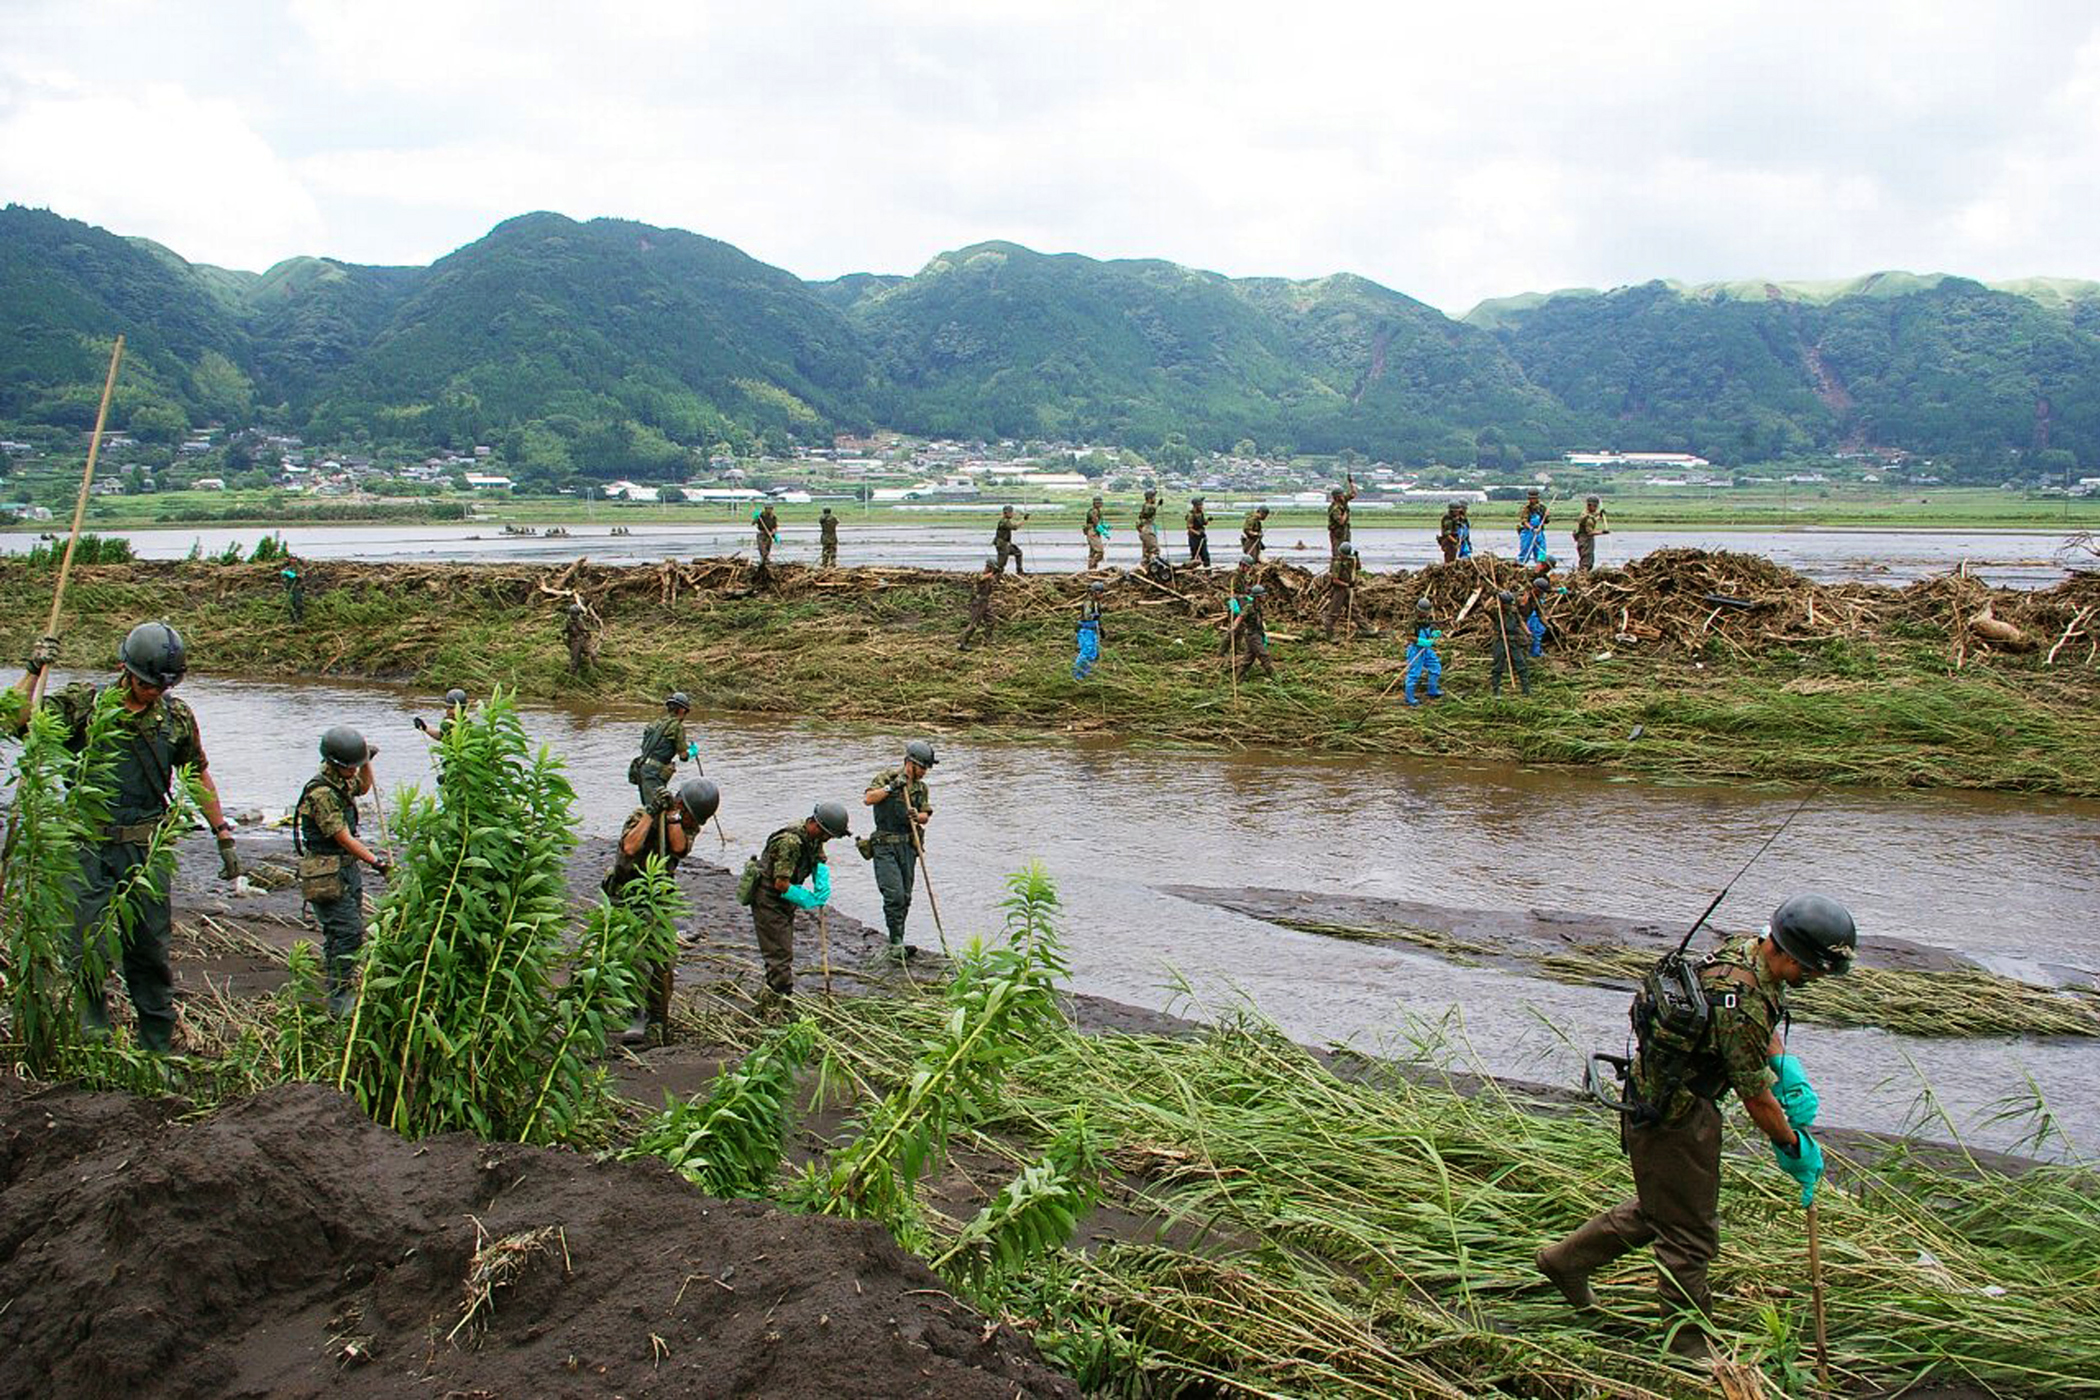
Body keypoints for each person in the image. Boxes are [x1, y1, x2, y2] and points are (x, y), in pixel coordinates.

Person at [1537, 896, 1852, 1359]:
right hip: (1677, 1115)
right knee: (1689, 1236)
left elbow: (1760, 1019)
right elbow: (1755, 1096)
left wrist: (1784, 1064)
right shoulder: (1742, 1003)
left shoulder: (1744, 951)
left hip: (1657, 1095)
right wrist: (1791, 1145)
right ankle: (1688, 1346)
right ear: (1789, 955)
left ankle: (1563, 1262)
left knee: (1663, 1208)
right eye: (1812, 971)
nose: (1814, 980)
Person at [10, 622, 240, 1052]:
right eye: (148, 683)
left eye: (163, 685)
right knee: (84, 946)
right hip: (87, 847)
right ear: (125, 669)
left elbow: (197, 774)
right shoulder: (86, 705)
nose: (155, 692)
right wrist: (33, 670)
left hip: (146, 852)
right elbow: (17, 721)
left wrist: (222, 832)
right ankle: (92, 1041)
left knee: (149, 951)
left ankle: (156, 1048)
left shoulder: (176, 717)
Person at [603, 777, 720, 1042]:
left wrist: (672, 817)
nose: (694, 824)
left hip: (658, 898)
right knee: (633, 957)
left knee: (663, 960)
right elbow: (630, 847)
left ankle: (658, 1021)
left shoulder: (685, 824)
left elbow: (678, 848)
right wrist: (652, 813)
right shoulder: (640, 817)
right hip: (625, 894)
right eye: (690, 817)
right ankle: (635, 1015)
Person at [295, 726, 391, 1017]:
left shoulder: (341, 779)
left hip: (345, 870)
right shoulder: (322, 793)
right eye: (351, 766)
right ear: (334, 762)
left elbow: (363, 788)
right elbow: (343, 837)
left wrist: (366, 762)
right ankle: (340, 1001)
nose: (354, 771)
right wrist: (377, 862)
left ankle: (339, 989)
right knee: (348, 933)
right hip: (326, 874)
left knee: (342, 934)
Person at [750, 801, 850, 1001]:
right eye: (828, 835)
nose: (829, 839)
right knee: (779, 953)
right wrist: (806, 898)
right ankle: (780, 999)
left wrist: (821, 877)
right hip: (770, 898)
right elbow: (780, 884)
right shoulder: (790, 842)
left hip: (786, 898)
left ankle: (775, 993)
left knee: (782, 947)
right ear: (817, 826)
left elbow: (818, 857)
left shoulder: (813, 837)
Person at [861, 741, 936, 959]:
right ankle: (895, 943)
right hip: (885, 845)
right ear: (910, 763)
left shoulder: (921, 788)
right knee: (894, 895)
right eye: (922, 767)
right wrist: (891, 787)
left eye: (926, 768)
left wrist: (917, 816)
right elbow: (868, 799)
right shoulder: (887, 777)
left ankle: (898, 937)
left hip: (908, 846)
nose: (924, 772)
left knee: (905, 896)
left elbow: (926, 815)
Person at [630, 692, 696, 811]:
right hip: (654, 774)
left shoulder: (655, 723)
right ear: (682, 710)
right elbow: (683, 756)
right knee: (657, 811)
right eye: (686, 711)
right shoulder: (677, 727)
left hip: (642, 769)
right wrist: (692, 752)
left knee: (650, 808)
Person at [1488, 590, 1531, 695]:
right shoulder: (1496, 612)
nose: (1509, 606)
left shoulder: (1513, 611)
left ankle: (1526, 689)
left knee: (1520, 663)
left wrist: (1528, 632)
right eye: (1506, 604)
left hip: (1514, 640)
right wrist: (1493, 597)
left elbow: (1520, 622)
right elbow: (1486, 608)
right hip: (1500, 640)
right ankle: (1496, 690)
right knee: (1498, 665)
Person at [1228, 585, 1275, 680]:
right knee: (1264, 655)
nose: (1265, 597)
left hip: (1258, 634)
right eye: (1262, 595)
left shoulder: (1259, 607)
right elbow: (1240, 617)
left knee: (1248, 659)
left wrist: (1263, 626)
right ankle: (1276, 677)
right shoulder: (1249, 607)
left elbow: (1259, 619)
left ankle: (1237, 678)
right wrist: (1234, 627)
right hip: (1252, 635)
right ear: (1257, 597)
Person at [1404, 598, 1444, 705]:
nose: (1426, 614)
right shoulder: (1412, 622)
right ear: (1418, 611)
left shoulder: (1427, 619)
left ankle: (1432, 690)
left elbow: (1430, 628)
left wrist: (1434, 633)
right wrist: (1423, 642)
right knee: (1414, 674)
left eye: (1427, 612)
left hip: (1426, 650)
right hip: (1415, 650)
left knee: (1435, 667)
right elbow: (1410, 637)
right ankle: (1409, 698)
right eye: (1423, 612)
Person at [958, 555, 999, 650]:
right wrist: (991, 574)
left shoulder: (989, 577)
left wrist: (995, 574)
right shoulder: (980, 576)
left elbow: (993, 581)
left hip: (985, 602)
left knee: (991, 620)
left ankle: (987, 639)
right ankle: (962, 643)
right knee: (974, 623)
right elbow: (979, 579)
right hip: (979, 602)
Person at [1325, 541, 1361, 642]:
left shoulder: (1349, 561)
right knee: (1333, 613)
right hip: (1338, 591)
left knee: (1355, 610)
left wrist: (1357, 558)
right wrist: (1347, 585)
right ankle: (1330, 635)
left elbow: (1358, 567)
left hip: (1347, 590)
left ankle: (1366, 629)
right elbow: (1335, 580)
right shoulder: (1337, 563)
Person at [1074, 581, 1106, 679]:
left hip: (1093, 630)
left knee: (1093, 653)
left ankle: (1086, 673)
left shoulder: (1097, 603)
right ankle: (1077, 674)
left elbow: (1097, 619)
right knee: (1086, 651)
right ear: (1095, 592)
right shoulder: (1088, 603)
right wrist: (1095, 616)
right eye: (1100, 592)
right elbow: (1087, 616)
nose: (1102, 595)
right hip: (1085, 630)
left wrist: (1100, 628)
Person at [564, 598, 599, 676]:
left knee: (593, 654)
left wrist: (588, 635)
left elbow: (586, 630)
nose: (574, 616)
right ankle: (573, 676)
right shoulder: (568, 621)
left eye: (575, 614)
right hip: (575, 641)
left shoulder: (580, 620)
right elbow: (565, 631)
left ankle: (596, 671)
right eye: (573, 614)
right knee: (575, 660)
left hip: (584, 639)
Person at [1326, 475, 1357, 562]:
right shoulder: (1335, 508)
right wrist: (1346, 513)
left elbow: (1353, 494)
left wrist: (1351, 483)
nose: (1343, 496)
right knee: (1337, 551)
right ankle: (1336, 566)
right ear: (1337, 497)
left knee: (1346, 548)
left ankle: (1346, 565)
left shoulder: (1343, 502)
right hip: (1337, 532)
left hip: (1345, 530)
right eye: (1341, 495)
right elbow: (1341, 521)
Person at [1574, 496, 1609, 571]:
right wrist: (1602, 532)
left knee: (1590, 560)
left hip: (1586, 539)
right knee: (1586, 561)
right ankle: (1582, 575)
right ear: (1589, 505)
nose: (1596, 508)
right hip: (1585, 540)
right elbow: (1590, 532)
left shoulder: (1588, 514)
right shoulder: (1585, 516)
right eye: (1595, 506)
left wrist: (1600, 515)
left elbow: (1593, 519)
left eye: (1597, 506)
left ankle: (1584, 573)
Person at [993, 505, 1028, 574]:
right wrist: (1024, 520)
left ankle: (1019, 571)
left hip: (1007, 544)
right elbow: (1015, 527)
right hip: (1002, 545)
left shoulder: (1006, 521)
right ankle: (994, 575)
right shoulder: (1004, 522)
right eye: (1011, 512)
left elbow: (1013, 525)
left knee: (1018, 553)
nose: (1012, 514)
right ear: (1006, 513)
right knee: (1001, 565)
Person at [1517, 490, 1550, 564]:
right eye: (1531, 498)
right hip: (1528, 533)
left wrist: (1546, 516)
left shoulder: (1542, 508)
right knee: (1525, 551)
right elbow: (1524, 522)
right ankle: (1521, 565)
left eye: (1534, 498)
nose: (1532, 500)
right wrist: (1532, 529)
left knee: (1541, 551)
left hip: (1539, 532)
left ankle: (1540, 566)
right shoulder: (1526, 508)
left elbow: (1546, 521)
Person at [1137, 489, 1161, 567]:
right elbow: (1150, 510)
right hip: (1147, 530)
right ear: (1150, 498)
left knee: (1147, 553)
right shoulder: (1148, 506)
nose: (1155, 499)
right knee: (1155, 550)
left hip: (1144, 530)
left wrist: (1157, 505)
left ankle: (1144, 567)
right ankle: (1153, 568)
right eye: (1154, 497)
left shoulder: (1146, 506)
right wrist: (1157, 505)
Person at [1084, 495, 1108, 571]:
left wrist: (1105, 526)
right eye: (1098, 503)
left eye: (1100, 502)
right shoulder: (1094, 511)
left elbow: (1099, 523)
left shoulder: (1097, 511)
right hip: (1092, 531)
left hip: (1095, 531)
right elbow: (1096, 523)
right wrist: (1104, 532)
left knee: (1093, 552)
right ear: (1094, 503)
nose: (1100, 504)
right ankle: (1092, 566)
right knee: (1099, 552)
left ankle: (1092, 570)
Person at [1185, 496, 1211, 566]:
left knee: (1205, 556)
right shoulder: (1191, 515)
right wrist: (1198, 533)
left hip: (1202, 538)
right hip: (1194, 538)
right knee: (1195, 556)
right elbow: (1189, 528)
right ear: (1196, 506)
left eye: (1202, 505)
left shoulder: (1201, 513)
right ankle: (1192, 570)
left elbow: (1203, 522)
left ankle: (1208, 570)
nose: (1202, 506)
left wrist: (1207, 520)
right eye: (1200, 505)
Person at [754, 502, 780, 570]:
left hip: (769, 535)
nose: (769, 510)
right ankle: (764, 561)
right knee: (762, 549)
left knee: (767, 549)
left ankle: (765, 562)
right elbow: (753, 523)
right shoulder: (761, 516)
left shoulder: (773, 517)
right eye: (768, 509)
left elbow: (775, 527)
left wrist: (772, 532)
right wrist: (756, 517)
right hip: (761, 534)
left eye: (771, 509)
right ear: (765, 509)